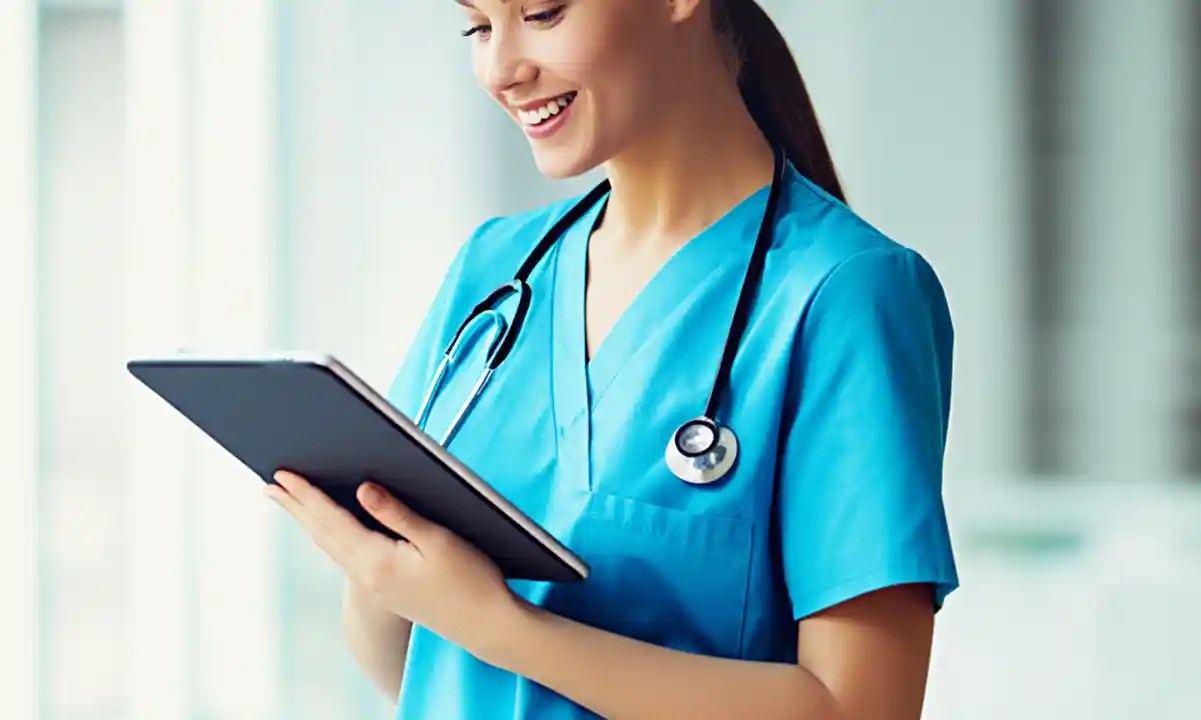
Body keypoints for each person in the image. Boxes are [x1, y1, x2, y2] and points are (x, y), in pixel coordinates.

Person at [265, 0, 959, 717]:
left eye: (541, 13)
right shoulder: (496, 271)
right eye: (477, 27)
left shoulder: (843, 293)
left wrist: (499, 624)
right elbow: (410, 666)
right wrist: (377, 567)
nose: (501, 69)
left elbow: (861, 708)